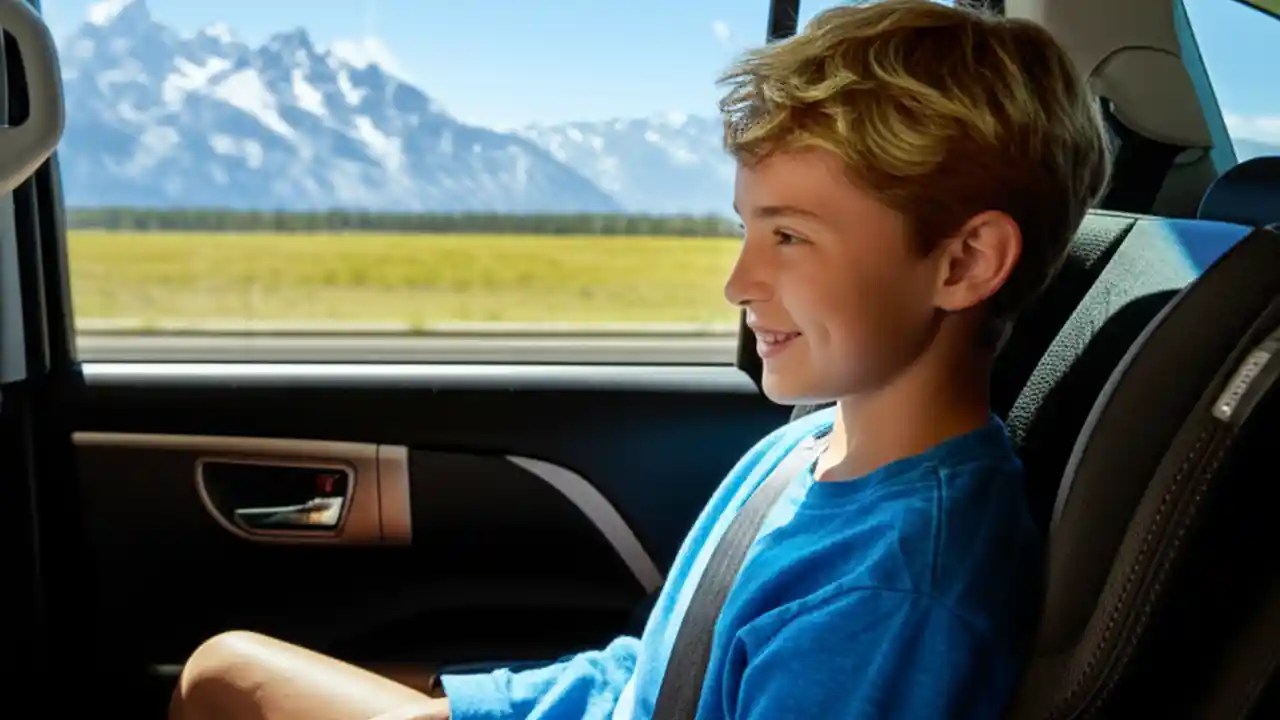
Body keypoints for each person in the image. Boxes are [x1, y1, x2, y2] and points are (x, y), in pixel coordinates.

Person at [169, 1, 1113, 718]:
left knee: (226, 677)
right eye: (747, 230)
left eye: (790, 237)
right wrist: (464, 705)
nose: (739, 283)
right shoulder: (810, 448)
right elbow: (662, 671)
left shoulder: (892, 595)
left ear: (964, 263)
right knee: (231, 674)